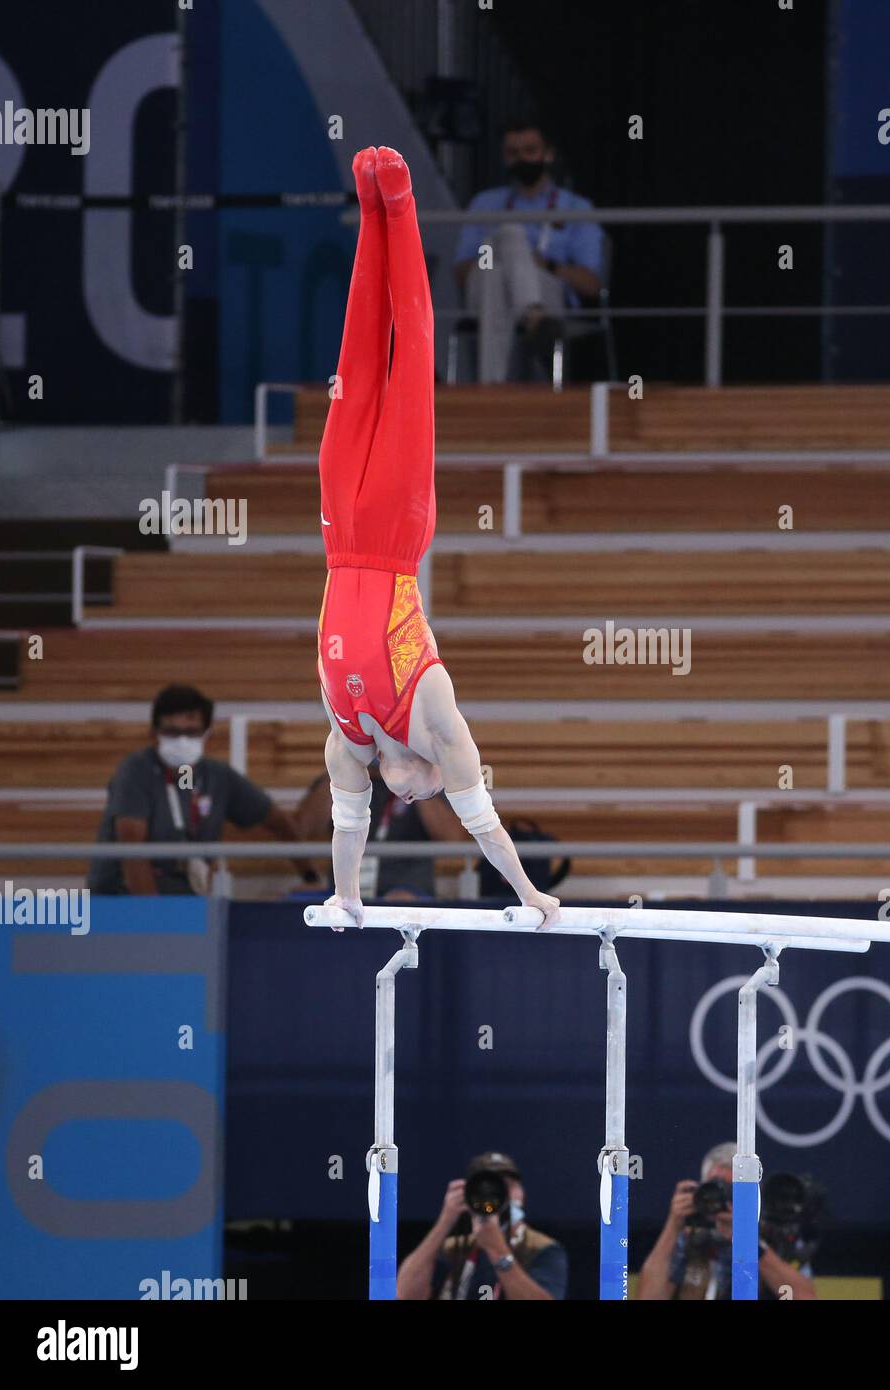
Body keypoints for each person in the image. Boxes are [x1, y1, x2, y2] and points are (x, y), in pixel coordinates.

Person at [317, 146, 559, 930]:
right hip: (391, 532)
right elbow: (480, 819)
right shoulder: (434, 718)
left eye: (426, 792)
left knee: (360, 352)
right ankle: (398, 200)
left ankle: (367, 206)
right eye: (438, 788)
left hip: (340, 526)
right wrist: (529, 894)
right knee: (412, 353)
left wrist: (347, 896)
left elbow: (348, 826)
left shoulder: (345, 739)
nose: (432, 795)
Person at [88, 684, 317, 896]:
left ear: (207, 733)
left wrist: (311, 876)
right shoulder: (136, 771)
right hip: (122, 902)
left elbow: (277, 821)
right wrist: (154, 915)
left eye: (191, 733)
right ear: (154, 734)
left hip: (186, 902)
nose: (182, 741)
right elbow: (132, 850)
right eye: (172, 732)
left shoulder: (215, 777)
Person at [453, 117, 603, 382]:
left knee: (495, 277)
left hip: (548, 290)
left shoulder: (575, 207)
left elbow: (591, 284)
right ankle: (533, 314)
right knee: (501, 248)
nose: (522, 159)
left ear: (548, 154)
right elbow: (461, 273)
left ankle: (493, 389)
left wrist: (545, 265)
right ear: (504, 158)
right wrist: (496, 254)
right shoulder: (485, 203)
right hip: (485, 285)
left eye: (530, 151)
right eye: (513, 153)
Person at [638, 1142, 819, 1300]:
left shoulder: (772, 1236)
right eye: (716, 1188)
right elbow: (648, 1297)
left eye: (734, 1191)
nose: (725, 1200)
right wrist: (673, 1225)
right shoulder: (688, 1236)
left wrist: (748, 1240)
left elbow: (804, 1297)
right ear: (702, 1189)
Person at [397, 1151, 567, 1301]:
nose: (499, 1196)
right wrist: (445, 1222)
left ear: (522, 1193)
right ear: (468, 1194)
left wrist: (498, 1251)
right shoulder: (454, 1248)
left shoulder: (542, 1249)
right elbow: (404, 1295)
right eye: (486, 1189)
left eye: (508, 1186)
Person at [294, 764, 463, 899]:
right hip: (345, 890)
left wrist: (411, 778)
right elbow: (302, 828)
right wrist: (347, 770)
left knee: (400, 903)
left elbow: (452, 838)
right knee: (300, 901)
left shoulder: (426, 776)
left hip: (409, 891)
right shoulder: (342, 773)